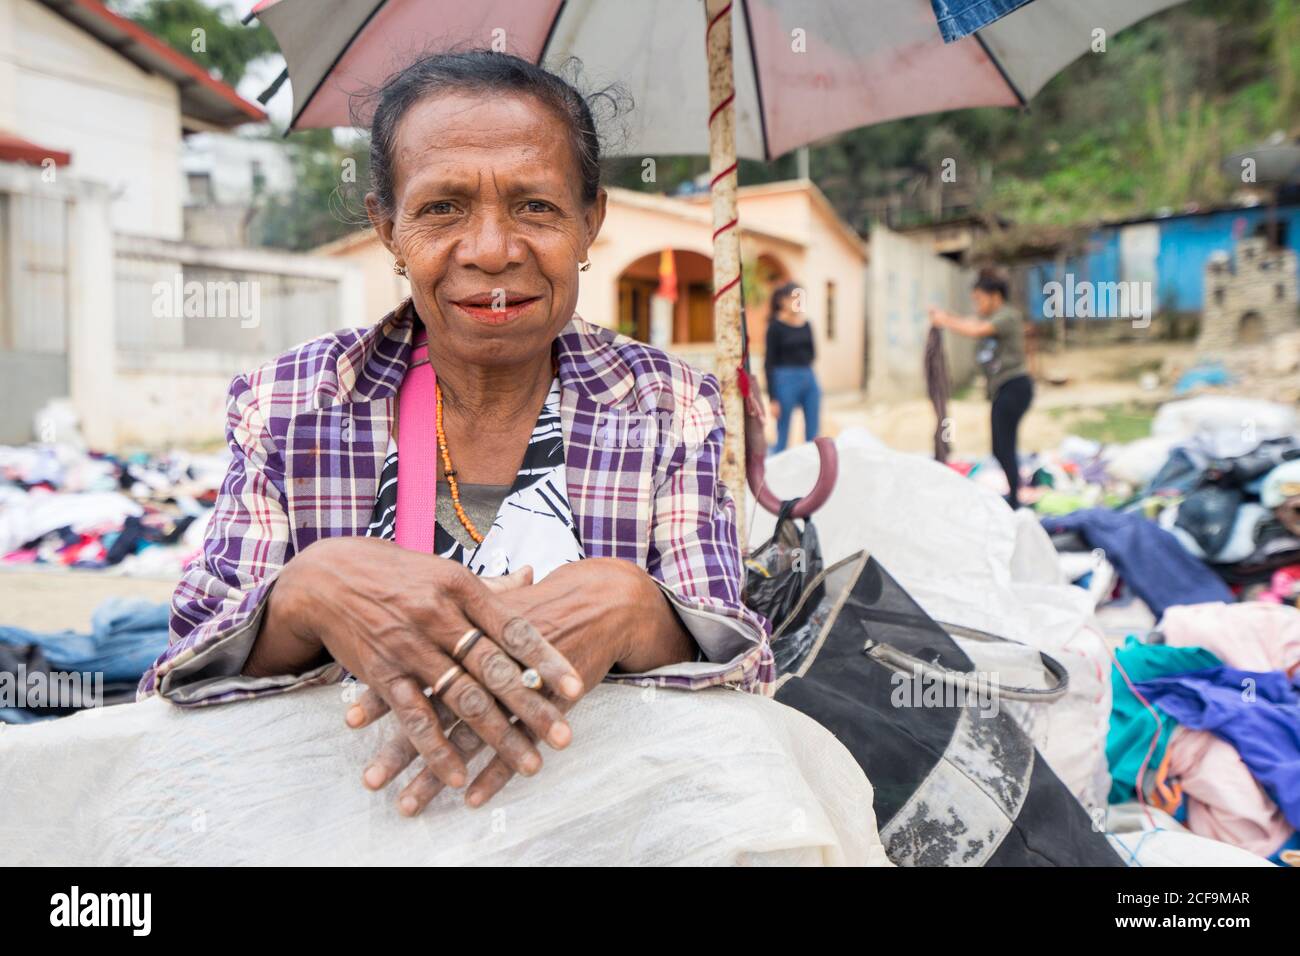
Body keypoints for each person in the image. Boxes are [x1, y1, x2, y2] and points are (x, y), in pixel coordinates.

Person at [137, 51, 773, 817]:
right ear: (387, 228)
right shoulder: (290, 404)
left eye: (536, 206)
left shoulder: (670, 405)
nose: (491, 250)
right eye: (442, 208)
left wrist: (637, 609)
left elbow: (747, 681)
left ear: (590, 222)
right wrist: (304, 596)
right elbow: (174, 684)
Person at [929, 268, 1033, 509]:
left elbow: (975, 330)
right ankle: (1015, 496)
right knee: (1002, 447)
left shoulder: (1007, 316)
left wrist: (944, 320)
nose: (977, 305)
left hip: (1014, 387)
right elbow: (971, 323)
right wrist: (945, 317)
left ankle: (1016, 500)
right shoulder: (991, 319)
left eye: (979, 299)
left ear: (995, 296)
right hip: (1004, 389)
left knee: (1002, 447)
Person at [764, 281, 821, 453]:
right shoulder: (775, 327)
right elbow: (769, 362)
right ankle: (775, 471)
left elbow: (812, 354)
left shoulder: (806, 325)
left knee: (813, 431)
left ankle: (813, 465)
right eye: (794, 298)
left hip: (808, 376)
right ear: (783, 300)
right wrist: (773, 398)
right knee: (783, 433)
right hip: (784, 378)